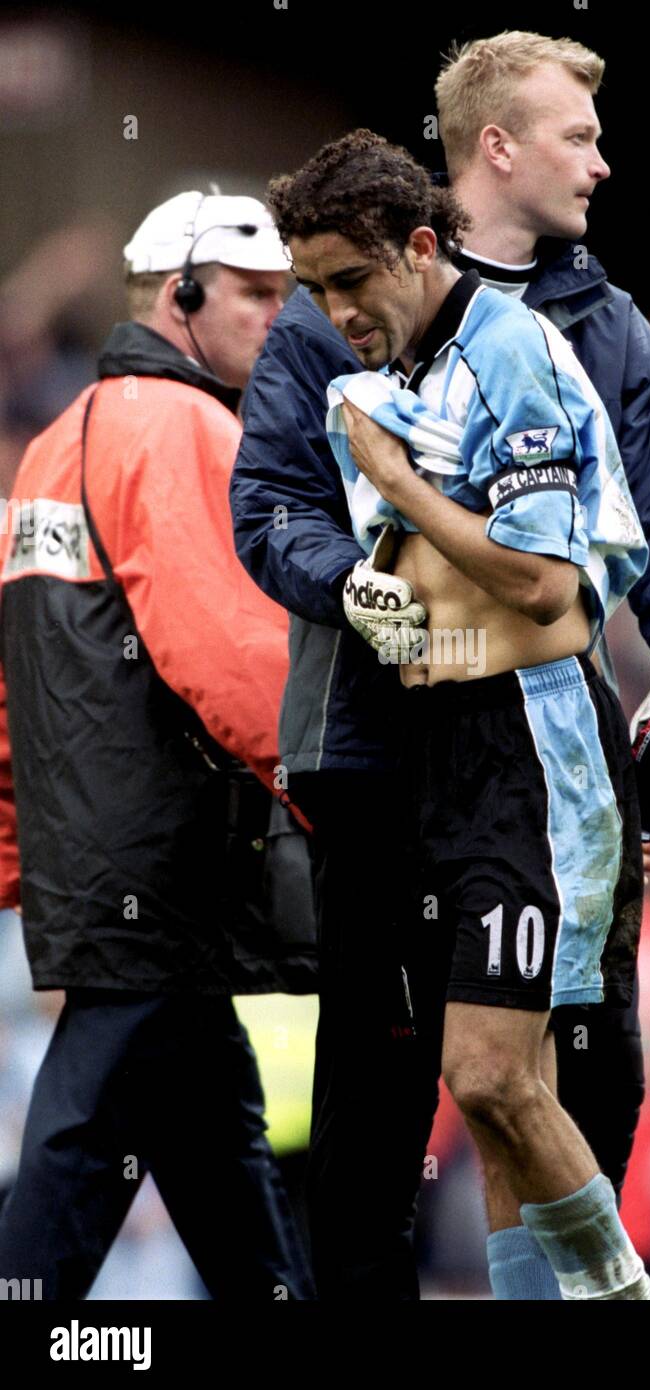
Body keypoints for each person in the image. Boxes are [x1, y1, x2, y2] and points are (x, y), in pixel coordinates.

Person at [230, 34, 650, 1299]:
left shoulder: (589, 327)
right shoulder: (335, 314)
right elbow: (271, 504)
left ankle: (591, 1293)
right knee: (399, 1094)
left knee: (553, 1073)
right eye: (581, 136)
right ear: (496, 149)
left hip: (535, 744)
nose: (602, 163)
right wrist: (341, 580)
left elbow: (648, 526)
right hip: (382, 753)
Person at [274, 127, 650, 1300]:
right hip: (438, 750)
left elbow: (544, 585)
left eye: (350, 279)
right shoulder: (393, 375)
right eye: (312, 289)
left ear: (423, 244)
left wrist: (394, 487)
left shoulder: (508, 352)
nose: (334, 309)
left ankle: (617, 1294)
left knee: (488, 1074)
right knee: (493, 1099)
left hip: (532, 744)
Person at [0, 190, 314, 1301]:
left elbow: (18, 674)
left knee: (222, 1162)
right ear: (182, 293)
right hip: (161, 875)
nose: (282, 317)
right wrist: (342, 799)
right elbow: (232, 654)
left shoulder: (51, 444)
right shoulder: (186, 425)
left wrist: (14, 850)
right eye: (258, 294)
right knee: (74, 1155)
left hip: (102, 870)